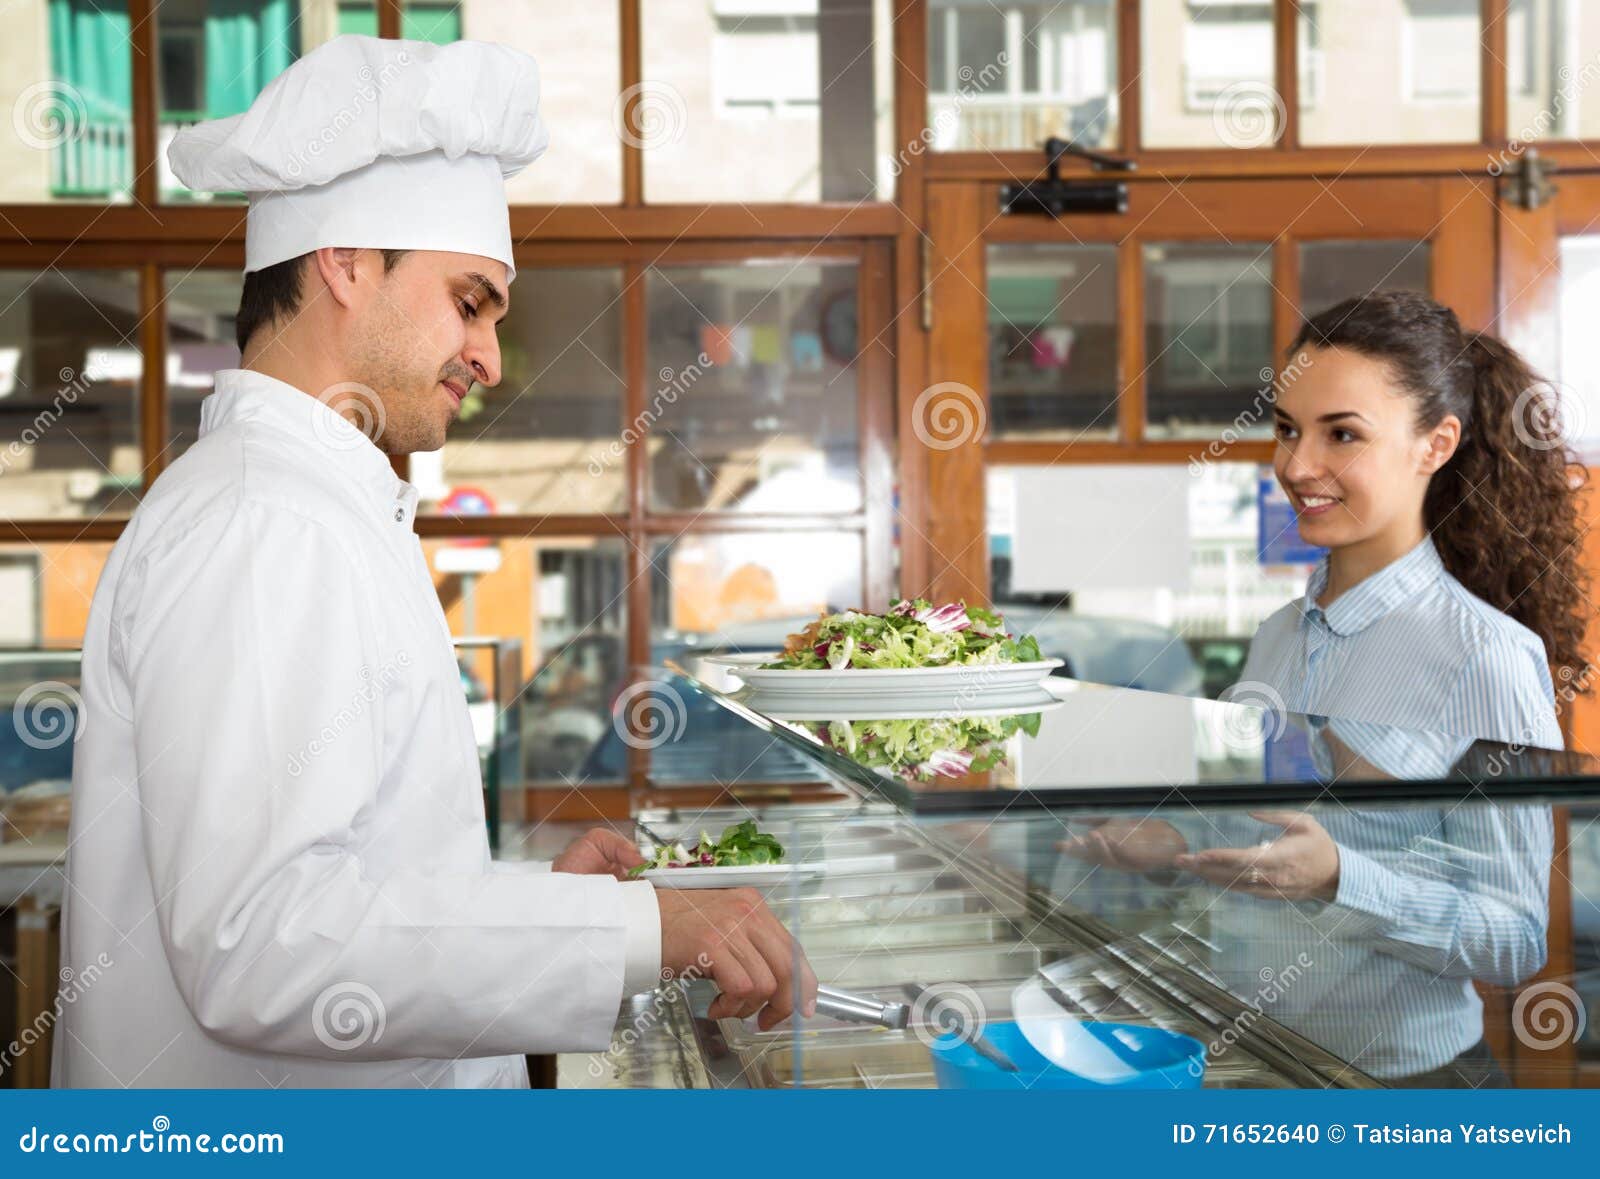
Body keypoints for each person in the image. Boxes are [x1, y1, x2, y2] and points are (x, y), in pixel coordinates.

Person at [53, 35, 814, 1090]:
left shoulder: (320, 505)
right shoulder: (267, 522)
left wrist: (546, 903)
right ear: (347, 264)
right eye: (470, 302)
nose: (491, 359)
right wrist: (638, 929)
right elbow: (262, 945)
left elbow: (354, 878)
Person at [1234, 289, 1588, 749]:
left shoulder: (1485, 659)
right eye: (1288, 430)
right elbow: (1257, 817)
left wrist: (1325, 828)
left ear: (1436, 445)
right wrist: (1175, 825)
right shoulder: (1277, 638)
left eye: (1342, 434)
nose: (1296, 467)